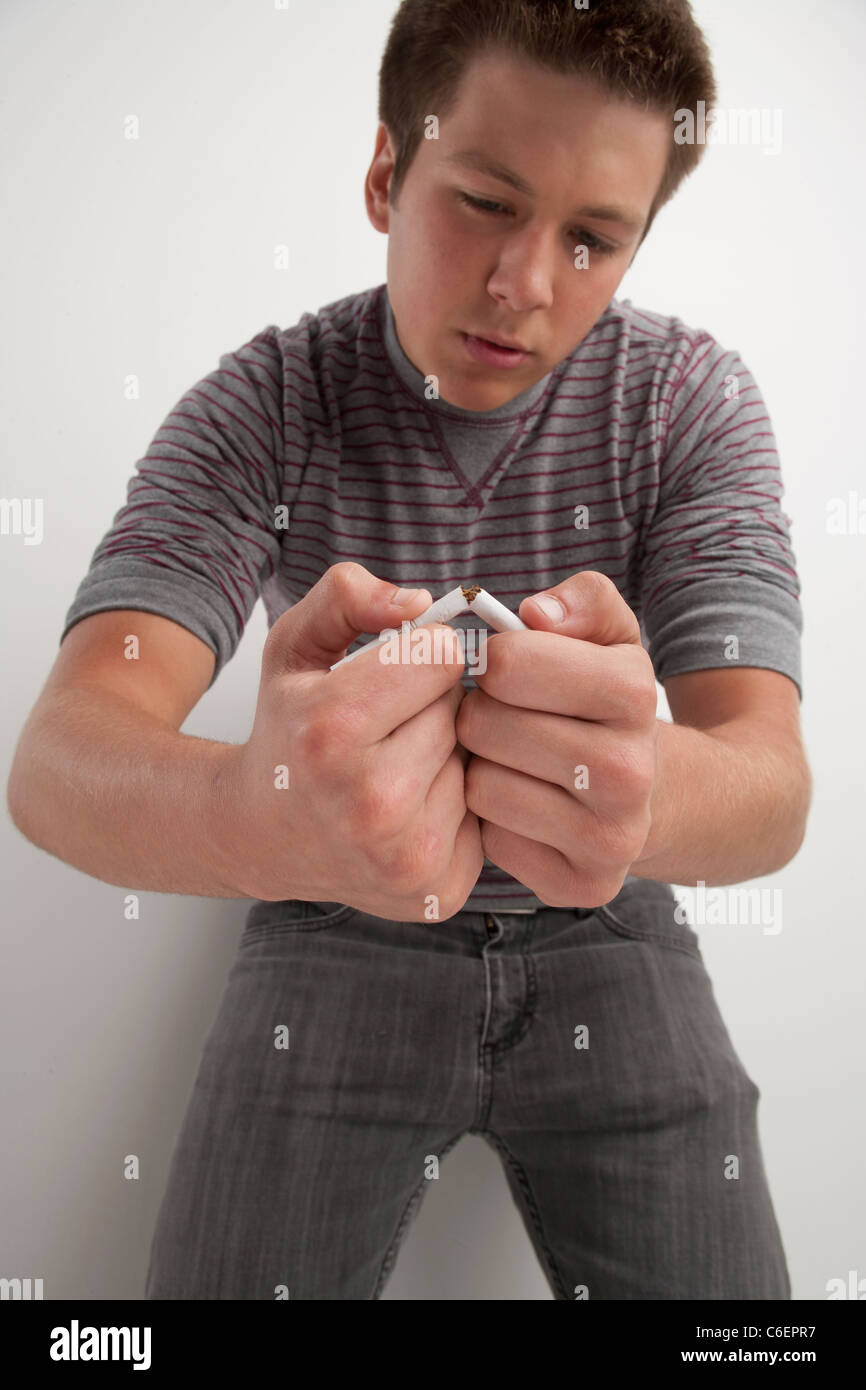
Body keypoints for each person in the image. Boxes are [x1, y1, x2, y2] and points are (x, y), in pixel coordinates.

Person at [7, 0, 811, 1299]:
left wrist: (640, 792)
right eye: (485, 202)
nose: (524, 285)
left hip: (612, 924)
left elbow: (771, 789)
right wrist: (260, 817)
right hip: (329, 923)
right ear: (387, 173)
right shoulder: (265, 402)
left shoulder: (687, 399)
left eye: (593, 238)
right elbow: (56, 762)